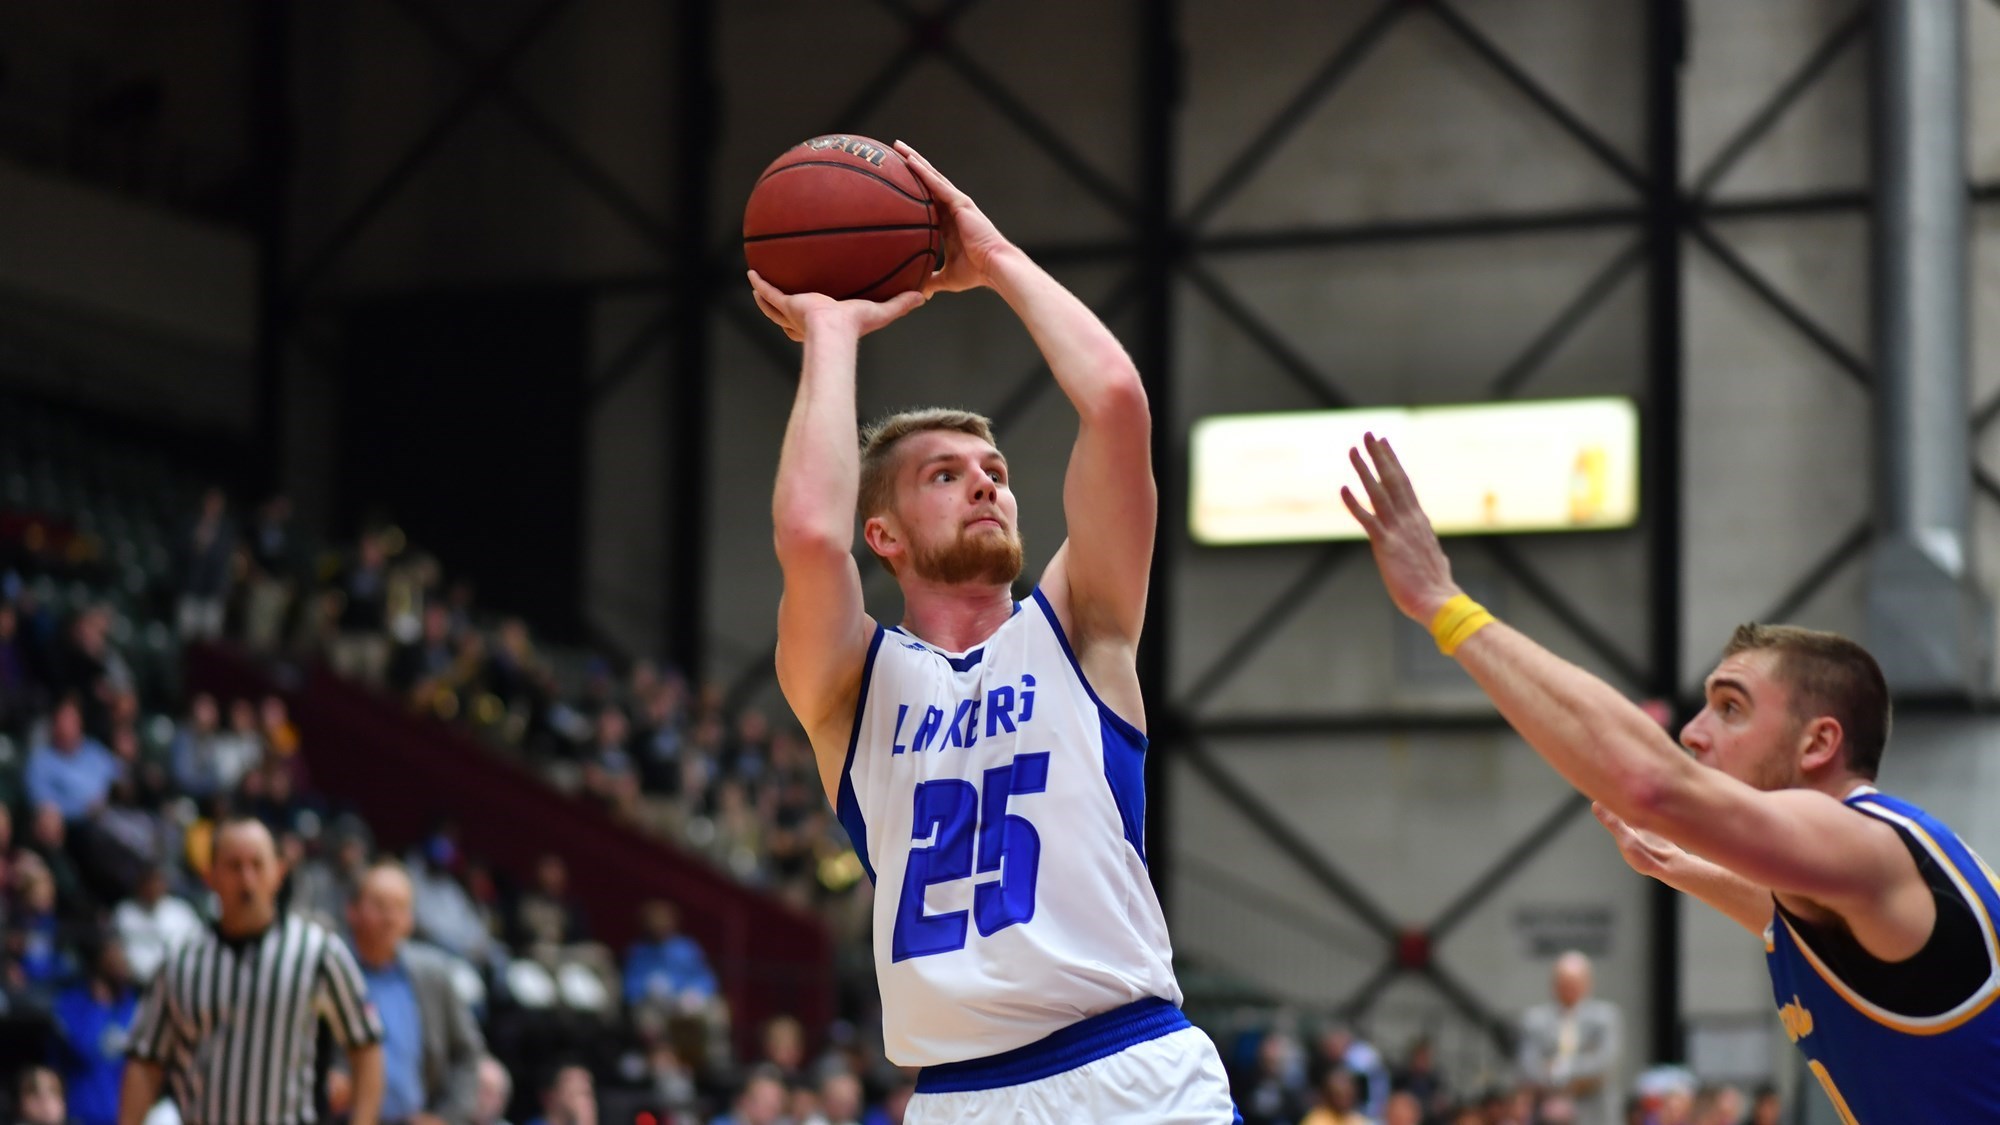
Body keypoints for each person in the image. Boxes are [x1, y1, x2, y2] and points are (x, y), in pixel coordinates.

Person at [755, 140, 1233, 1123]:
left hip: (1130, 1068)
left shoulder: (1079, 625)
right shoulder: (852, 687)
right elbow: (808, 534)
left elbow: (1112, 405)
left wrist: (995, 258)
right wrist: (830, 332)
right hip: (960, 1096)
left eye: (996, 472)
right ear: (880, 533)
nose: (986, 480)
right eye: (945, 474)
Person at [1341, 434, 2000, 1122]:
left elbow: (1652, 781)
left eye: (1731, 708)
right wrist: (1678, 863)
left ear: (1818, 743)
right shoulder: (1847, 894)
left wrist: (1444, 606)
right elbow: (1784, 922)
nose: (1693, 731)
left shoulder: (1864, 840)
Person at [120, 818, 385, 1125]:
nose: (247, 880)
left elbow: (365, 1047)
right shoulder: (179, 960)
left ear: (279, 872)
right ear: (210, 875)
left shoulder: (319, 953)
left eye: (257, 865)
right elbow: (145, 1061)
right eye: (234, 866)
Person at [346, 861, 487, 1125]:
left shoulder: (433, 974)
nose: (389, 918)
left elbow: (468, 1054)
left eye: (399, 908)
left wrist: (446, 1118)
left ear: (410, 920)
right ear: (352, 911)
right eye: (379, 906)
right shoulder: (335, 972)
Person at [1516, 953, 1619, 1125]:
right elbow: (1528, 1068)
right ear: (1554, 985)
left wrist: (1557, 1069)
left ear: (1587, 984)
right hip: (1546, 1116)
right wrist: (1580, 1074)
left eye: (1575, 983)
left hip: (1594, 1115)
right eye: (1564, 983)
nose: (1569, 988)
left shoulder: (1605, 1018)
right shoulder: (1534, 1020)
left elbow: (1603, 1065)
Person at [53, 940, 139, 1125]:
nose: (121, 964)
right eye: (113, 958)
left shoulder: (132, 1005)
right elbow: (84, 1050)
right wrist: (98, 1007)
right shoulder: (70, 1003)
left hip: (123, 1115)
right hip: (82, 1114)